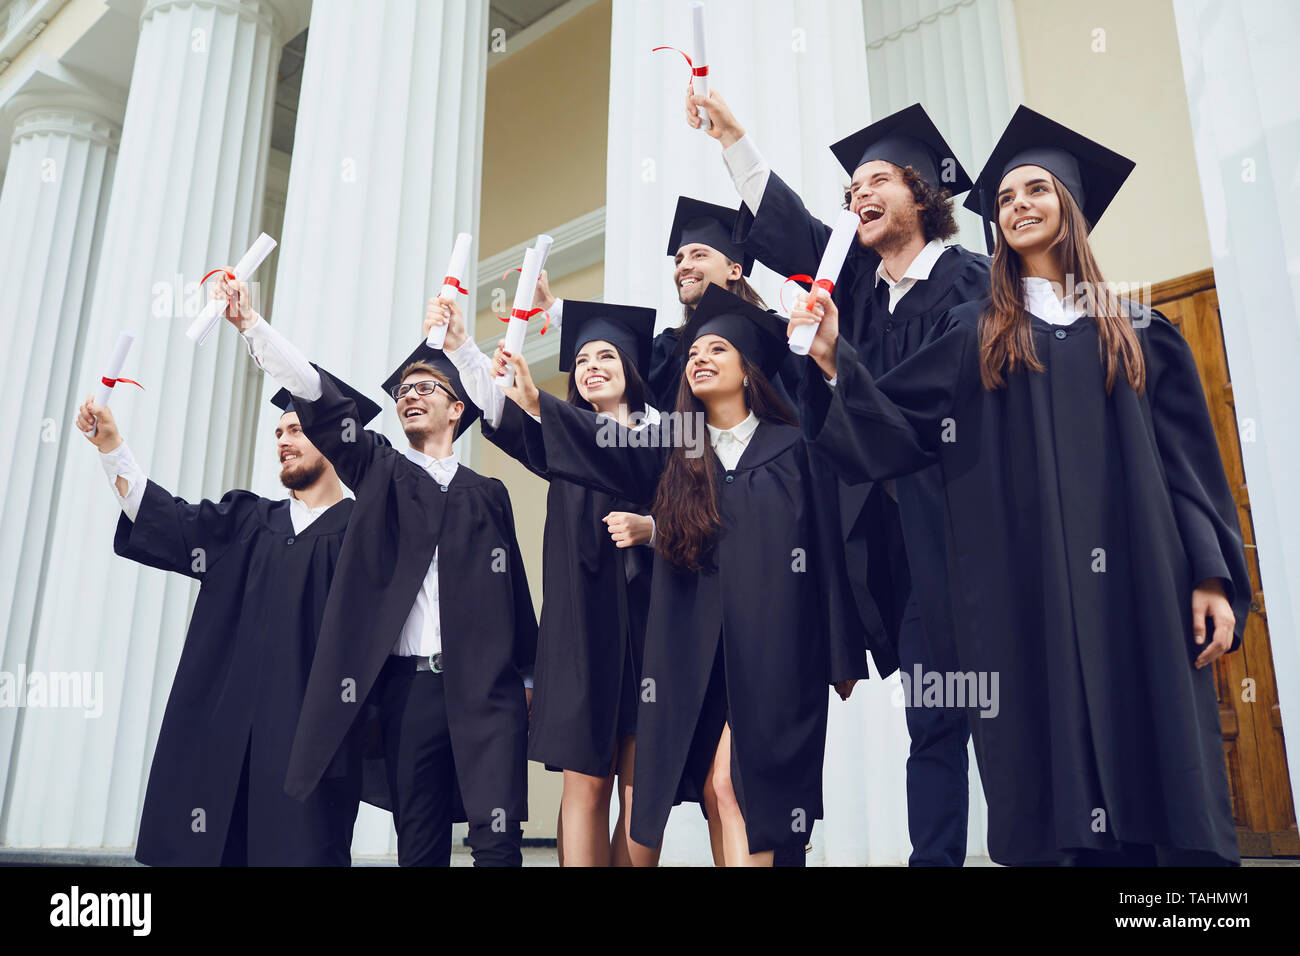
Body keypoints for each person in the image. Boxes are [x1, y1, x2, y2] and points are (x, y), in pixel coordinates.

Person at [791, 106, 1250, 866]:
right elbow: (893, 431)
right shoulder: (977, 335)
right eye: (1004, 199)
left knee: (1153, 736)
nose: (1017, 206)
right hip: (1029, 590)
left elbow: (1188, 468)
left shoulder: (1139, 330)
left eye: (1035, 190)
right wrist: (838, 358)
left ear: (1070, 205)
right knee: (1051, 750)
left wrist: (1209, 574)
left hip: (1139, 576)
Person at [690, 92, 989, 865]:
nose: (860, 192)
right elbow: (795, 235)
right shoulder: (856, 292)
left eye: (879, 179)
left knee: (1003, 714)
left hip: (972, 528)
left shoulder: (973, 283)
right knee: (932, 720)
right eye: (852, 185)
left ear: (923, 195)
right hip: (895, 543)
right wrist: (735, 140)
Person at [497, 284, 874, 866]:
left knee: (737, 788)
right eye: (693, 352)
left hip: (773, 651)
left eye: (716, 350)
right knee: (713, 790)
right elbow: (615, 450)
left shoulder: (794, 447)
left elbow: (826, 548)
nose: (698, 358)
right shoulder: (680, 452)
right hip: (695, 656)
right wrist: (538, 405)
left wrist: (840, 654)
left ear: (748, 372)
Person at [213, 273, 537, 867]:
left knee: (497, 846)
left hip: (488, 690)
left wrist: (530, 679)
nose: (410, 395)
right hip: (409, 692)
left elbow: (514, 592)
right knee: (419, 847)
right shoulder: (381, 472)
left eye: (426, 387)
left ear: (457, 407)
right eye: (404, 389)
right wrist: (253, 327)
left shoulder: (488, 493)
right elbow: (319, 397)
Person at [77, 356, 380, 866]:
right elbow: (164, 519)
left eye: (298, 429)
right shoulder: (245, 520)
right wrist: (112, 446)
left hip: (309, 752)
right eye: (278, 431)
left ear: (333, 439)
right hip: (222, 738)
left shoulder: (362, 535)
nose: (283, 439)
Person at [434, 295, 659, 866]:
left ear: (632, 368)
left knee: (641, 788)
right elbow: (500, 411)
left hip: (651, 624)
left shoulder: (666, 436)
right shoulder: (561, 442)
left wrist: (652, 527)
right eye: (580, 361)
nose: (590, 367)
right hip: (579, 630)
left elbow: (643, 468)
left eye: (605, 355)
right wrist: (463, 346)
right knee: (585, 782)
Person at [532, 196, 801, 413]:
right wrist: (550, 305)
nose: (684, 266)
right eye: (679, 260)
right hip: (691, 475)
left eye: (699, 255)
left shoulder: (777, 335)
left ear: (734, 270)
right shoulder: (669, 350)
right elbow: (615, 350)